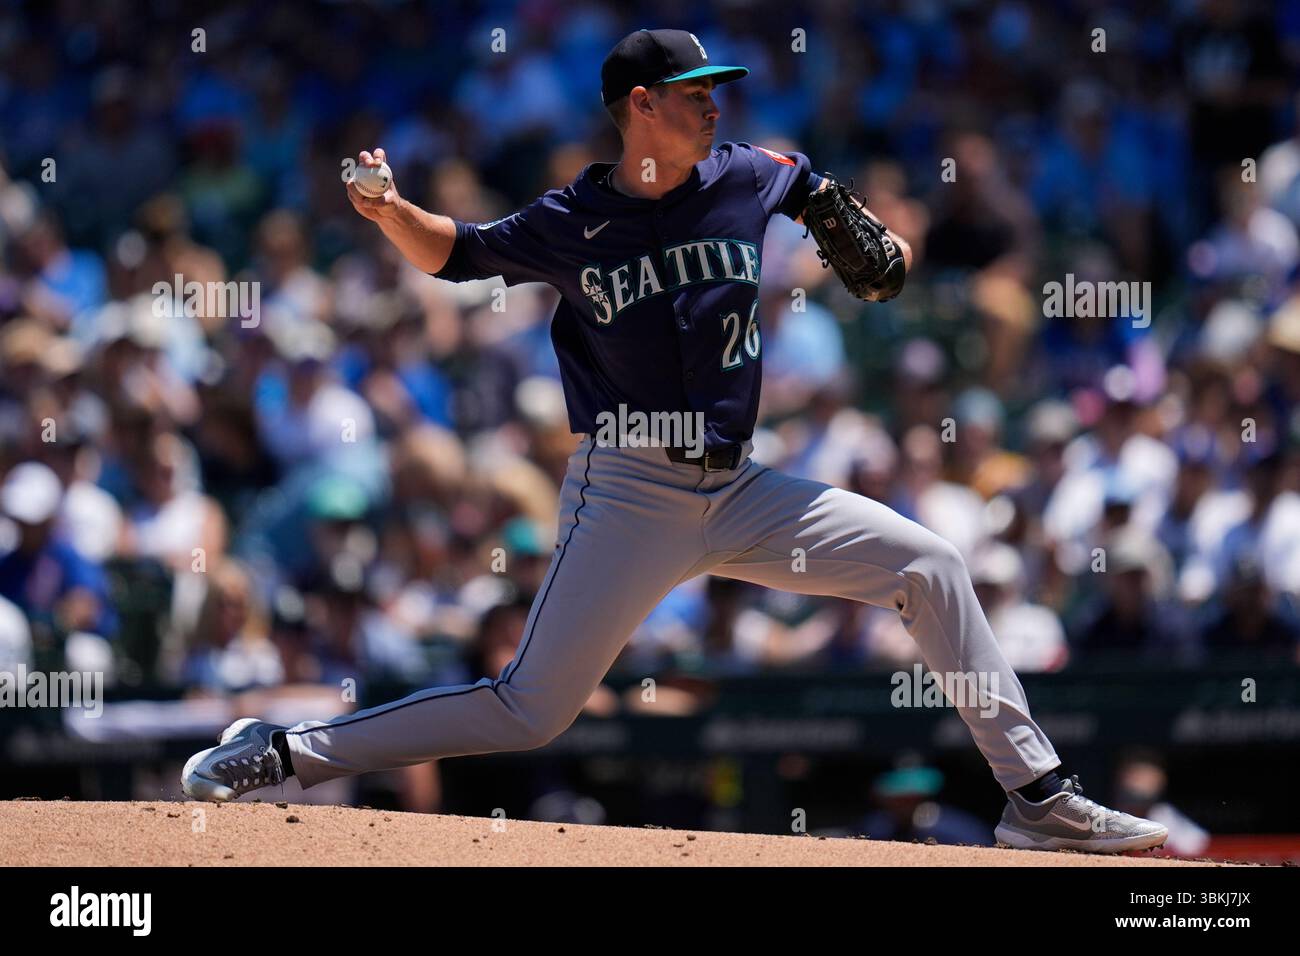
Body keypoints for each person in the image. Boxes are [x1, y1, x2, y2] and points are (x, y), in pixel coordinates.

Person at [182, 29, 1167, 853]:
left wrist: (855, 229)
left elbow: (848, 226)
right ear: (641, 104)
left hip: (742, 489)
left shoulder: (748, 174)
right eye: (697, 92)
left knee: (931, 562)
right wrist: (387, 209)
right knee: (532, 708)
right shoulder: (576, 216)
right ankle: (284, 747)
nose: (715, 106)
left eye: (717, 91)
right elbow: (459, 255)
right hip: (629, 491)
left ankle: (1036, 796)